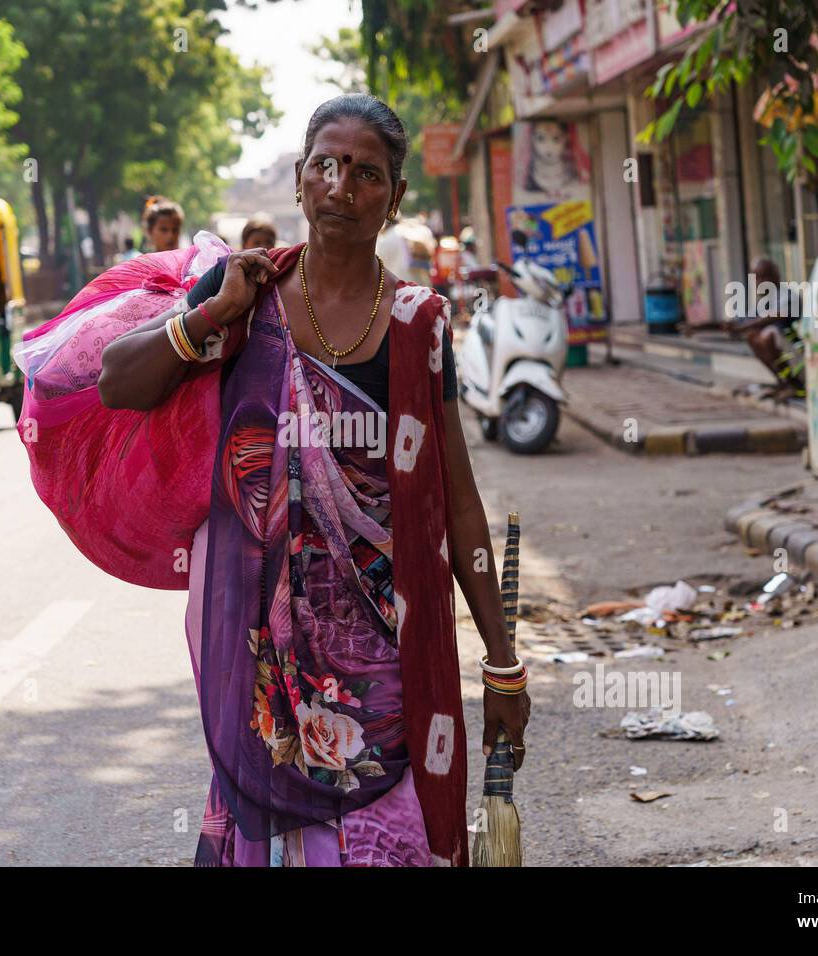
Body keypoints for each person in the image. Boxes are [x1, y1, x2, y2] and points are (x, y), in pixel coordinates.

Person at [98, 93, 530, 868]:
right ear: (300, 178)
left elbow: (458, 501)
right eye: (326, 165)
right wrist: (209, 316)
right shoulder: (244, 295)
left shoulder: (417, 323)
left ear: (394, 200)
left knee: (389, 842)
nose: (342, 186)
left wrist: (503, 665)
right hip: (264, 658)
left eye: (366, 174)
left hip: (389, 656)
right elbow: (115, 381)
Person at [725, 256, 803, 394]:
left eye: (764, 276)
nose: (759, 281)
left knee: (768, 334)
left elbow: (776, 315)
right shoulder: (765, 300)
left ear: (776, 276)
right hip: (787, 355)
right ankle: (783, 382)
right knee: (752, 335)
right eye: (756, 277)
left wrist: (744, 326)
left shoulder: (788, 295)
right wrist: (698, 327)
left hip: (799, 355)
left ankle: (794, 384)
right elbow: (741, 321)